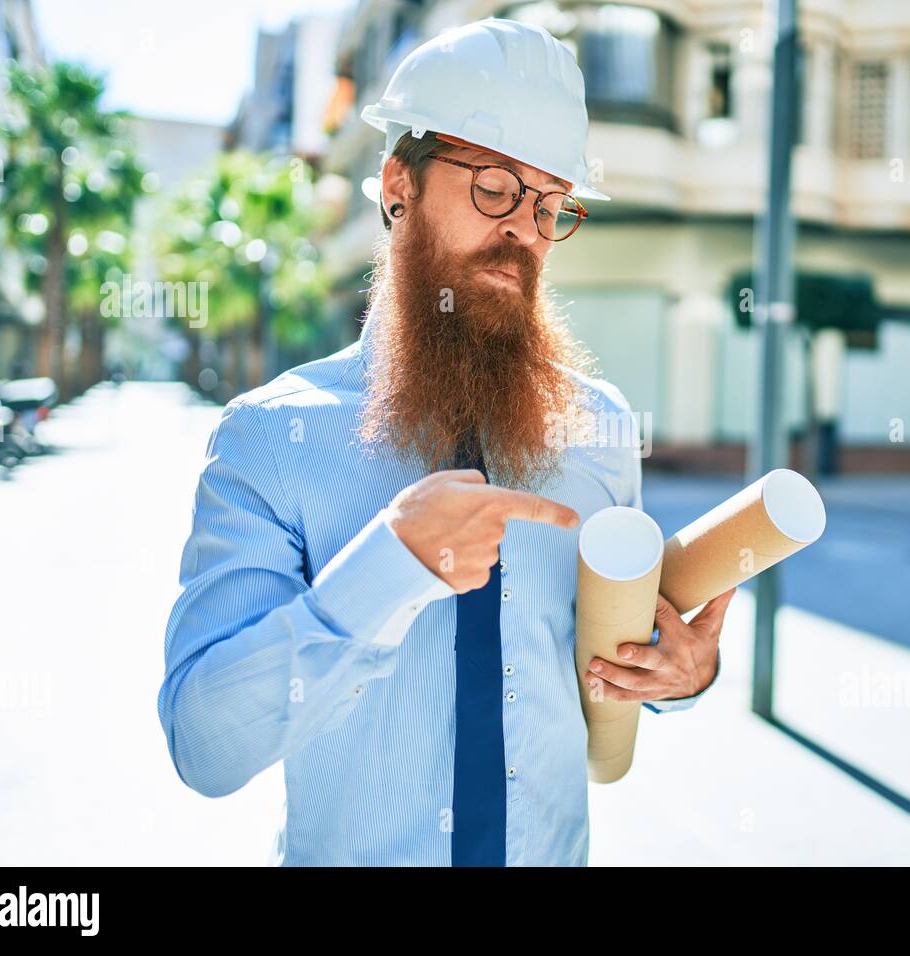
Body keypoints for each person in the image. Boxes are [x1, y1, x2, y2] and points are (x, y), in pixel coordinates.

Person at [157, 17, 734, 867]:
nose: (526, 231)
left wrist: (681, 680)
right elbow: (204, 748)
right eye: (496, 187)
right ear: (398, 186)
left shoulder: (602, 427)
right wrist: (390, 563)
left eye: (551, 204)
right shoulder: (269, 436)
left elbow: (594, 670)